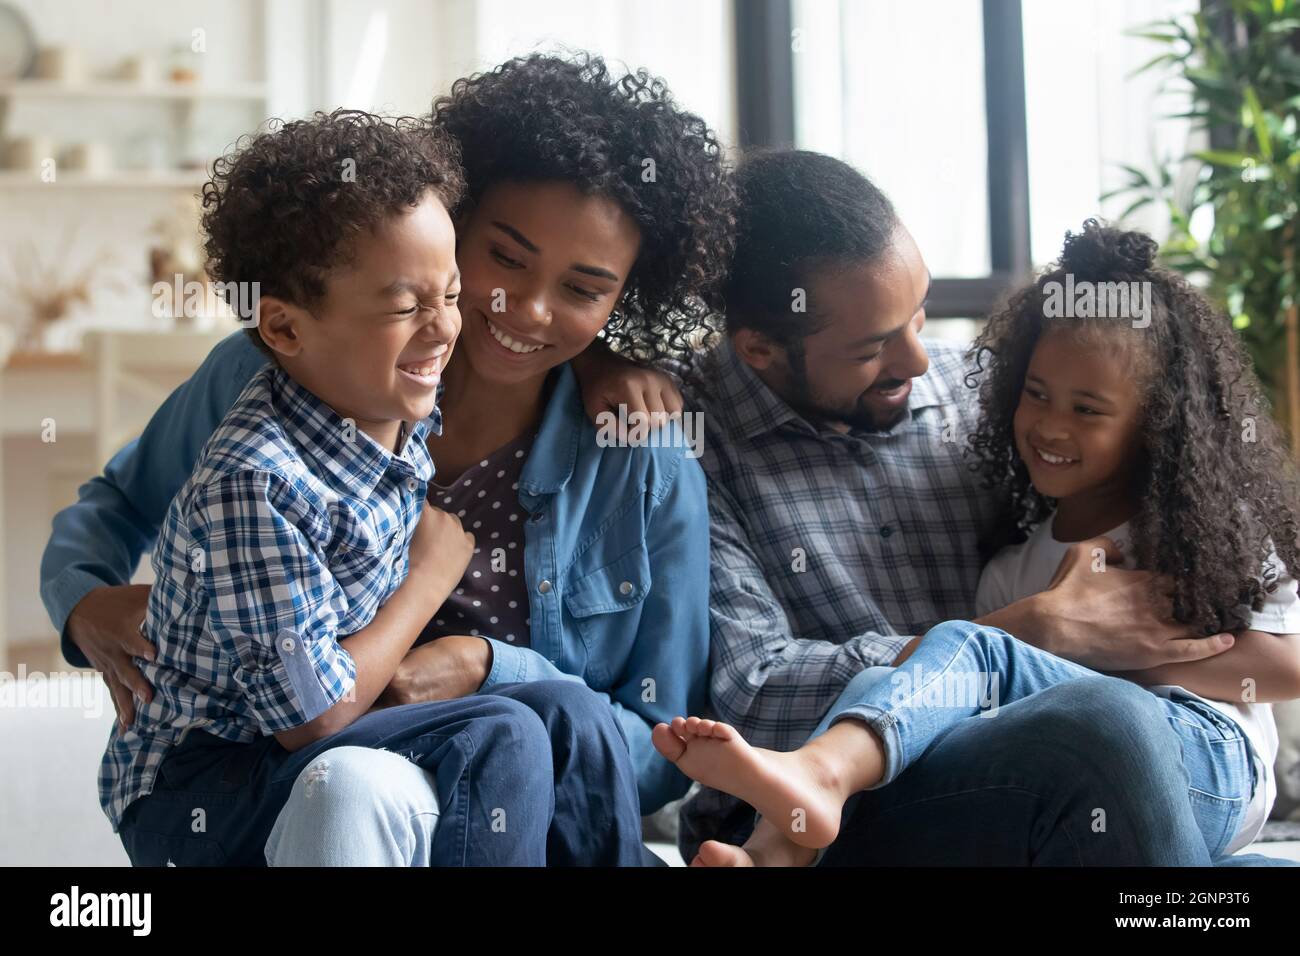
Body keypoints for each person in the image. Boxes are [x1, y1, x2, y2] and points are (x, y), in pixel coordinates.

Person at [46, 54, 732, 864]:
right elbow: (119, 504)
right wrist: (83, 603)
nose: (529, 309)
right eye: (505, 259)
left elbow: (662, 750)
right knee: (365, 788)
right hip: (298, 785)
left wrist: (488, 666)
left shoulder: (637, 450)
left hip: (513, 799)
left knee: (524, 730)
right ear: (452, 222)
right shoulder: (274, 381)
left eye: (584, 290)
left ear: (624, 301)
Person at [652, 221, 1300, 866]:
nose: (921, 360)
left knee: (978, 647)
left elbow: (1286, 666)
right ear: (761, 347)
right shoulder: (1012, 568)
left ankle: (819, 780)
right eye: (1035, 395)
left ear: (1157, 426)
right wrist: (601, 362)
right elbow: (757, 685)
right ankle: (780, 841)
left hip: (1209, 755)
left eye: (920, 316)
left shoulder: (1204, 531)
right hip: (981, 786)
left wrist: (1108, 653)